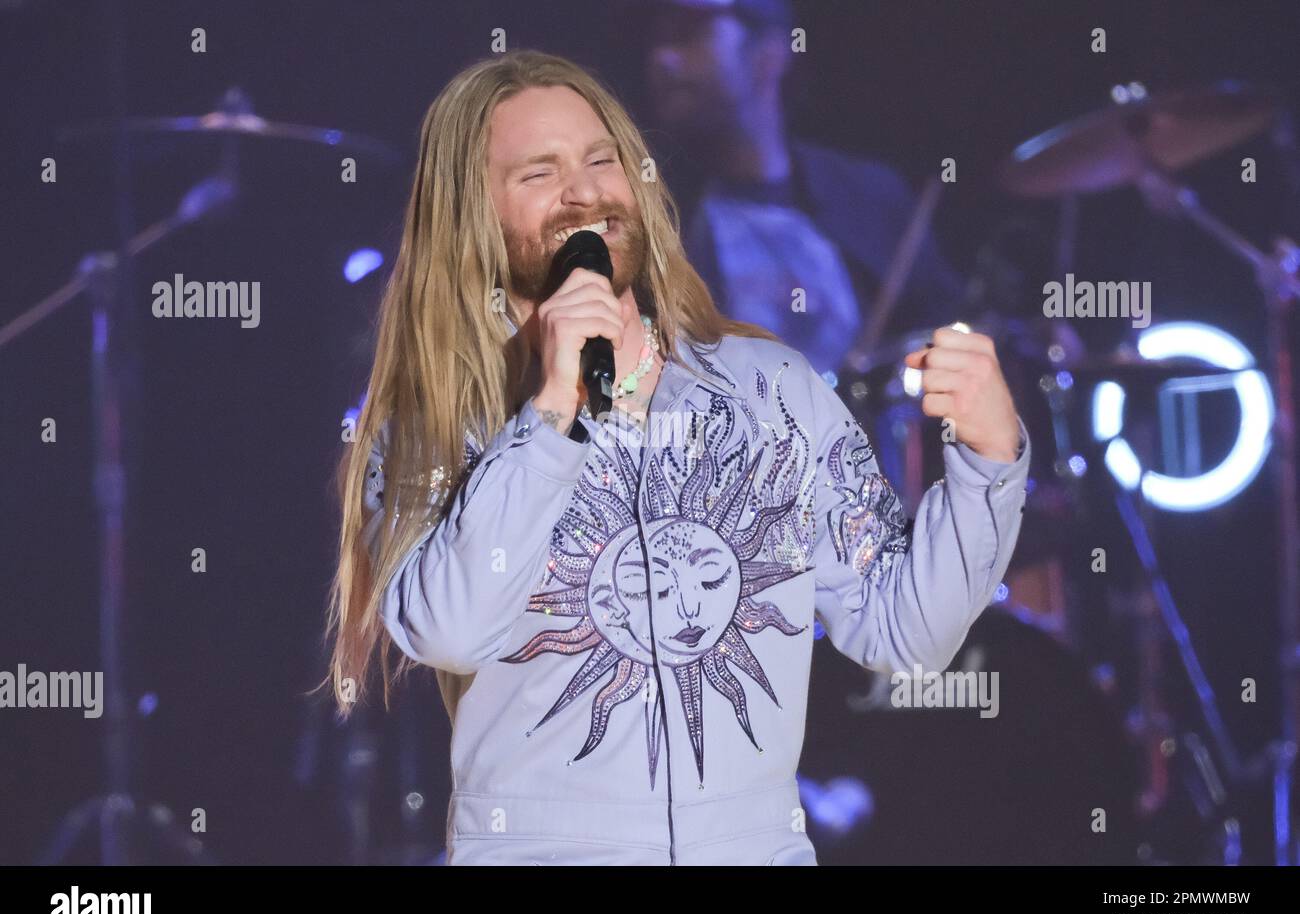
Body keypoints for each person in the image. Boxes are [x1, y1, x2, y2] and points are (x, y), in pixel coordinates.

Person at [323, 50, 1029, 866]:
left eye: (601, 160)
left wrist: (987, 461)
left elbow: (901, 631)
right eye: (539, 173)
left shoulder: (772, 392)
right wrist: (553, 411)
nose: (584, 192)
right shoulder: (436, 423)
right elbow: (447, 629)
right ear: (471, 213)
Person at [642, 0, 966, 380]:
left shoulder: (870, 199)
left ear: (770, 53)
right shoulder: (653, 217)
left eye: (691, 31)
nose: (662, 57)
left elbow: (948, 340)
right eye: (658, 36)